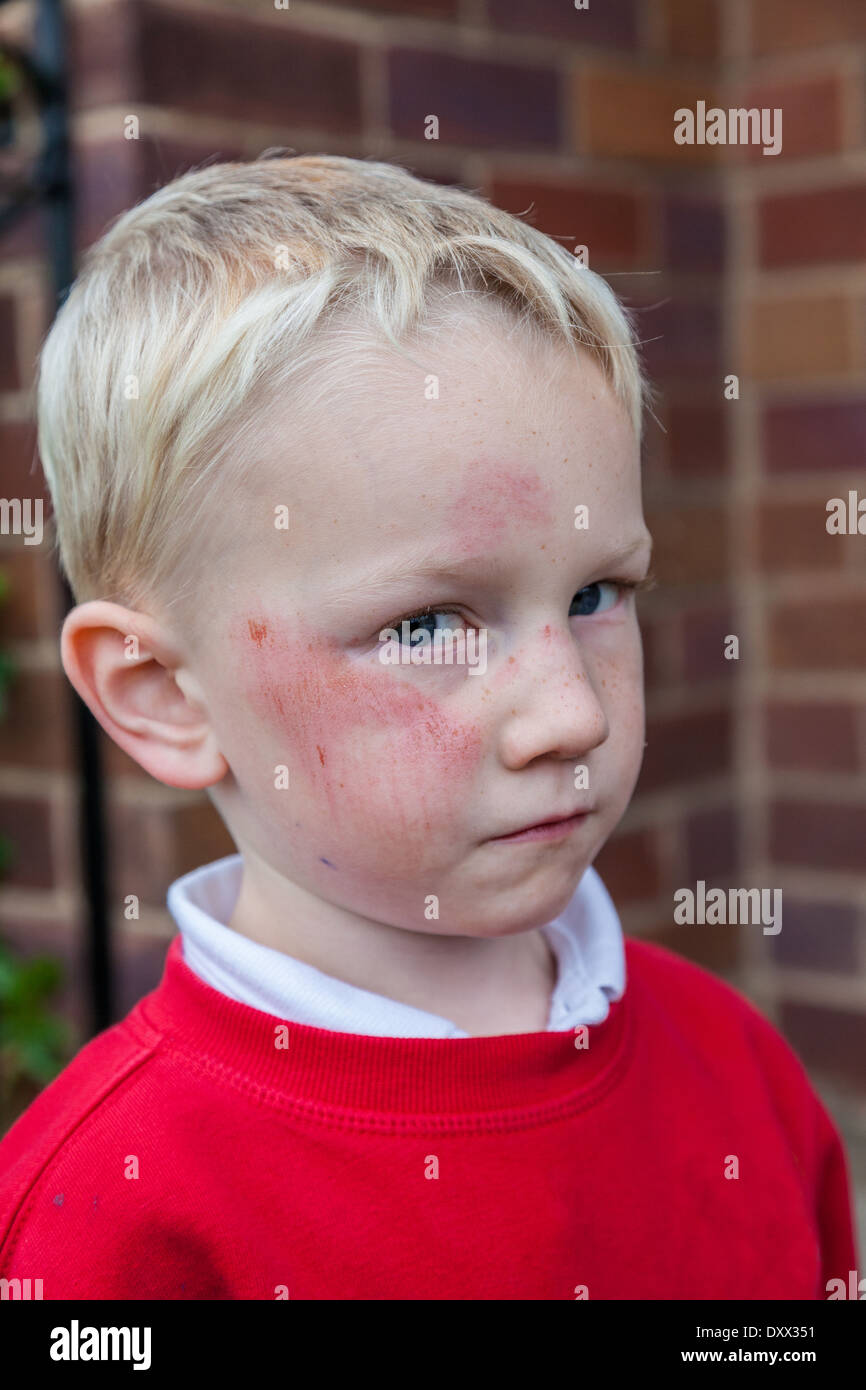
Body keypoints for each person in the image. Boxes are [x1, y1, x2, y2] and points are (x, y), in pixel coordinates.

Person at [0, 155, 857, 1298]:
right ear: (164, 693)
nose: (573, 713)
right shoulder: (105, 1213)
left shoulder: (734, 1064)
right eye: (426, 626)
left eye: (596, 596)